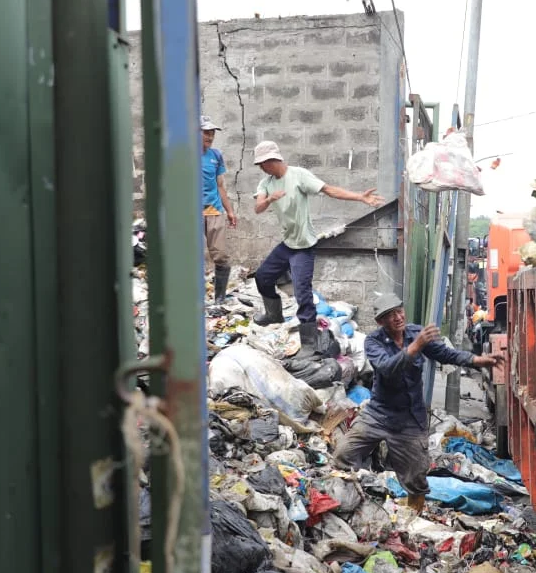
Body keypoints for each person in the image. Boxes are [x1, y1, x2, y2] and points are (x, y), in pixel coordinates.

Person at [332, 293, 504, 514]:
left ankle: (413, 517)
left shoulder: (415, 332)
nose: (397, 317)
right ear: (380, 322)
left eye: (399, 311)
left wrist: (476, 360)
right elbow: (387, 368)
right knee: (343, 454)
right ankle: (350, 503)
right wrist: (417, 345)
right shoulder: (373, 341)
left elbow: (444, 354)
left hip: (410, 419)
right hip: (379, 414)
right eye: (390, 315)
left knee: (416, 478)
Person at [252, 140, 384, 357]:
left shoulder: (298, 176)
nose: (261, 168)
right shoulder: (266, 183)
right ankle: (273, 314)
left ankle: (309, 344)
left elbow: (329, 190)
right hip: (286, 245)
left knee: (302, 293)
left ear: (271, 160)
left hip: (303, 248)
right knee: (263, 277)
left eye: (262, 164)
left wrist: (360, 197)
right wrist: (269, 200)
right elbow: (258, 207)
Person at [200, 116, 238, 303]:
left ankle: (219, 299)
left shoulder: (215, 155)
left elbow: (220, 185)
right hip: (191, 213)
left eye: (212, 133)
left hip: (214, 211)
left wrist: (229, 210)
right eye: (206, 132)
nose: (210, 136)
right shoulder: (185, 154)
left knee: (221, 255)